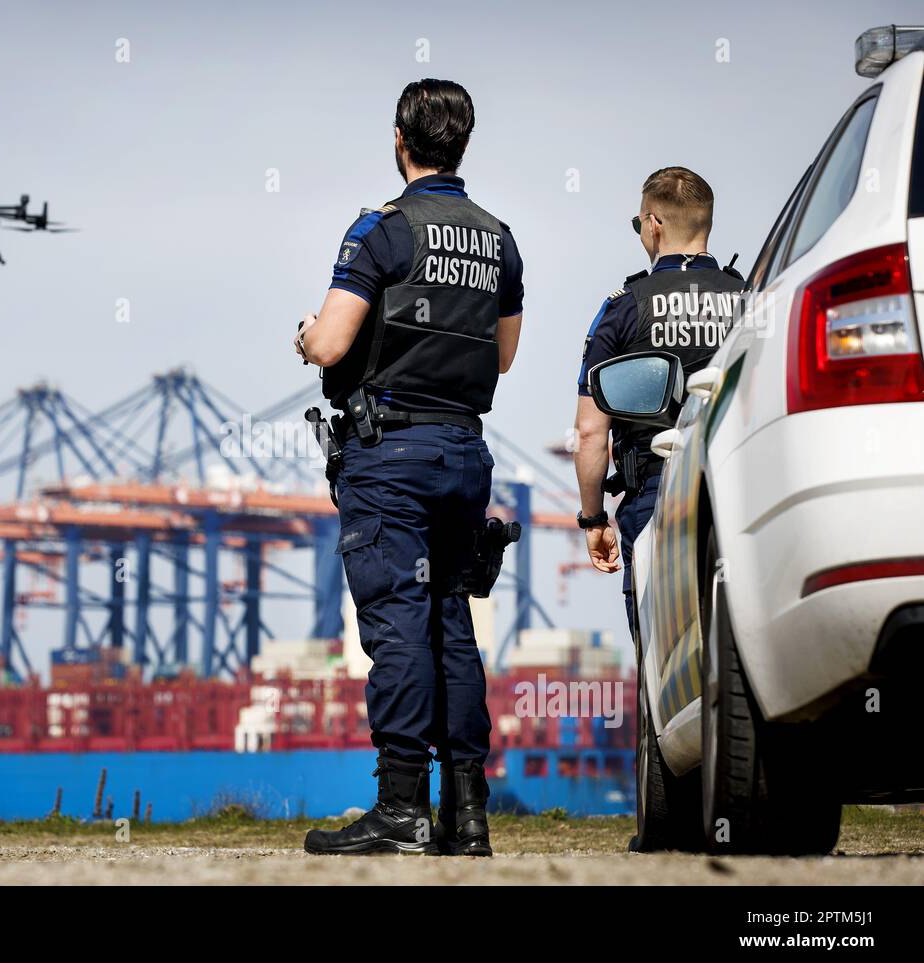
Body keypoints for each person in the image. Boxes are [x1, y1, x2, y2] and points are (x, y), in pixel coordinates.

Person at [293, 79, 524, 856]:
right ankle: (467, 814)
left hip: (390, 454)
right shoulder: (499, 238)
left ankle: (400, 809)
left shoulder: (381, 231)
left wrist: (306, 334)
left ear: (401, 140)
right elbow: (505, 355)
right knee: (450, 624)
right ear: (465, 142)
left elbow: (329, 345)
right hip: (465, 452)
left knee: (396, 626)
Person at [572, 166, 744, 637]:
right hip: (736, 486)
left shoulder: (624, 306)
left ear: (653, 224)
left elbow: (590, 431)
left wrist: (593, 518)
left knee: (661, 655)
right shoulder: (751, 298)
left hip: (654, 493)